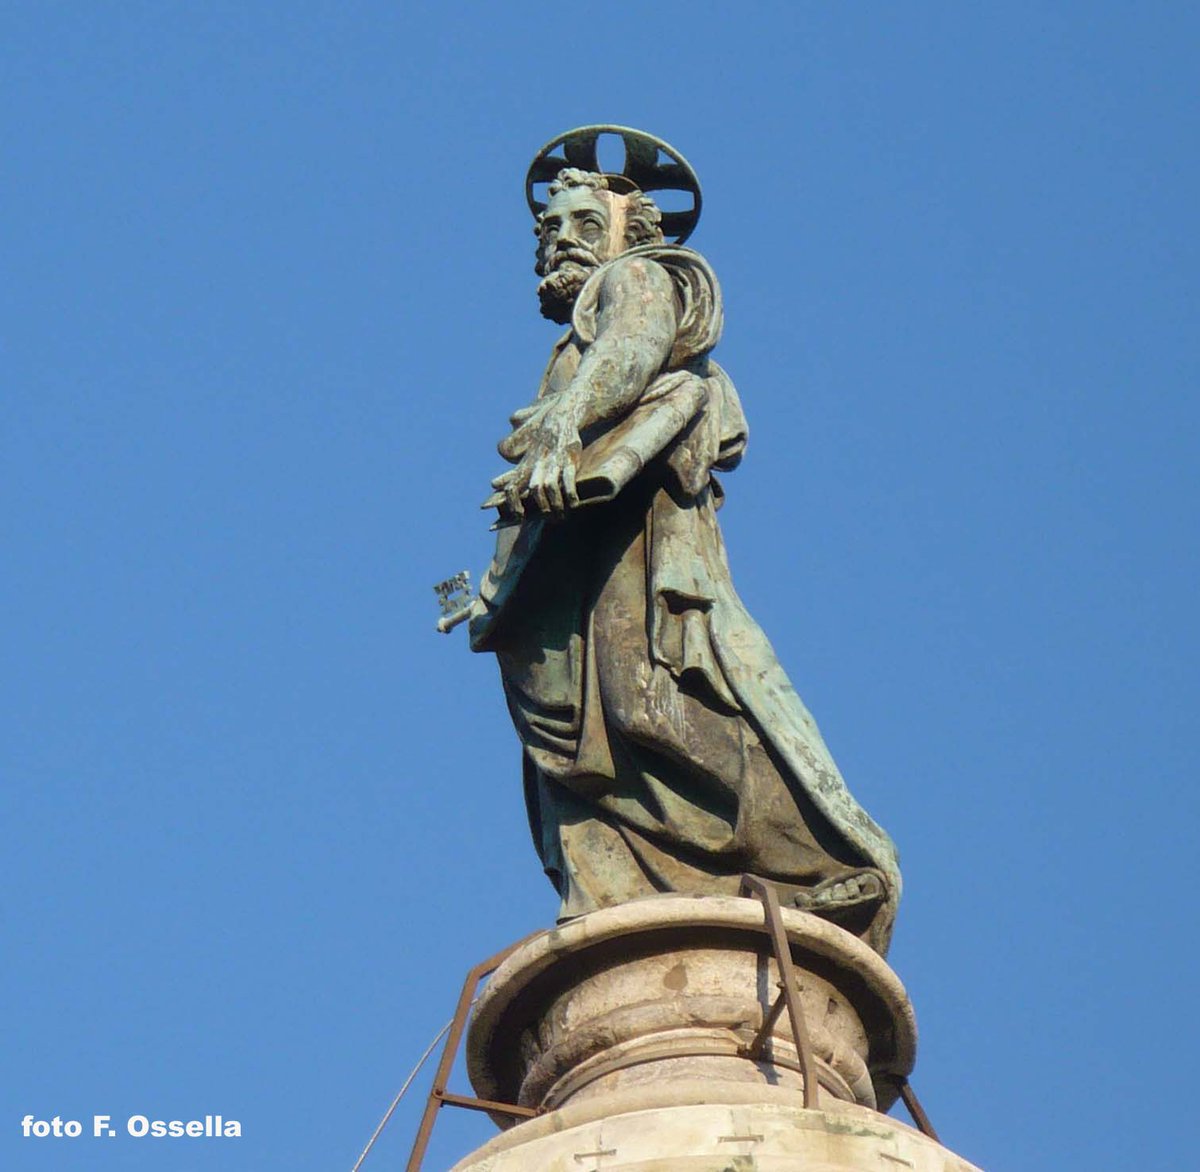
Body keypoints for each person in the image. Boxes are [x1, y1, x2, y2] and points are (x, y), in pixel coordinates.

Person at [468, 166, 901, 954]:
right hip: (583, 556)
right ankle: (615, 886)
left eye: (578, 224)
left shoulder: (637, 278)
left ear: (625, 233)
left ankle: (814, 861)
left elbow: (632, 357)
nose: (557, 240)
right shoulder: (572, 336)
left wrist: (563, 426)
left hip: (638, 545)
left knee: (649, 703)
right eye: (548, 229)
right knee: (579, 742)